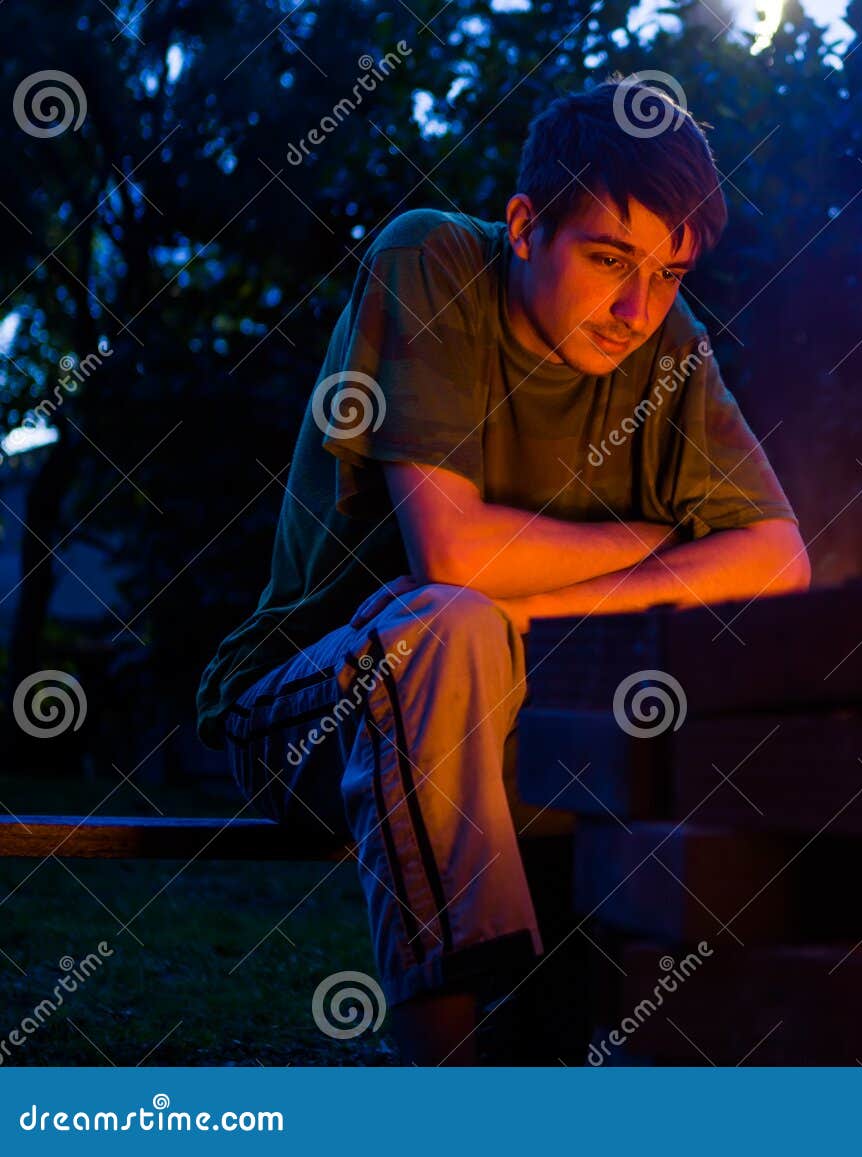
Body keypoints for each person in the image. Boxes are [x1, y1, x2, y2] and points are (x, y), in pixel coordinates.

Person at [193, 77, 808, 1065]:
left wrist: (542, 613)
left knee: (701, 698)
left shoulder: (667, 342)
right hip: (312, 701)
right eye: (609, 257)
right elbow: (455, 554)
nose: (635, 306)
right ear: (525, 225)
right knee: (449, 625)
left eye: (668, 273)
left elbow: (778, 559)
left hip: (521, 730)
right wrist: (651, 543)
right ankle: (452, 1083)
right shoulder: (431, 257)